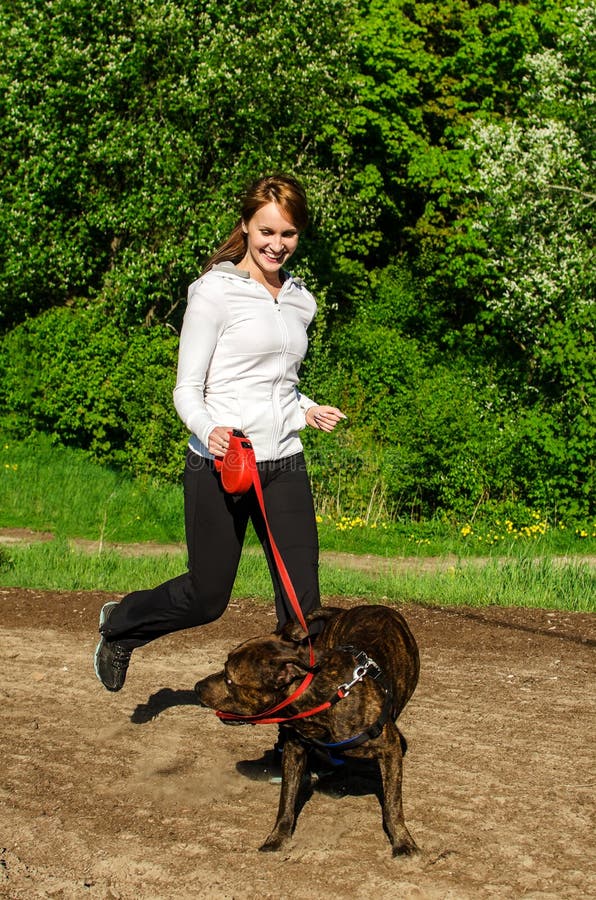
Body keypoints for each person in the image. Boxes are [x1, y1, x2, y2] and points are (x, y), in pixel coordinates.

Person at [95, 174, 346, 692]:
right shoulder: (215, 292)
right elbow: (187, 389)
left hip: (284, 464)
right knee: (208, 597)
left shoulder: (301, 300)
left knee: (304, 607)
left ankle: (292, 737)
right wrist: (209, 430)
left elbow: (276, 383)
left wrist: (306, 408)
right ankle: (120, 624)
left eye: (289, 234)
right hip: (221, 463)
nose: (278, 244)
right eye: (267, 231)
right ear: (247, 227)